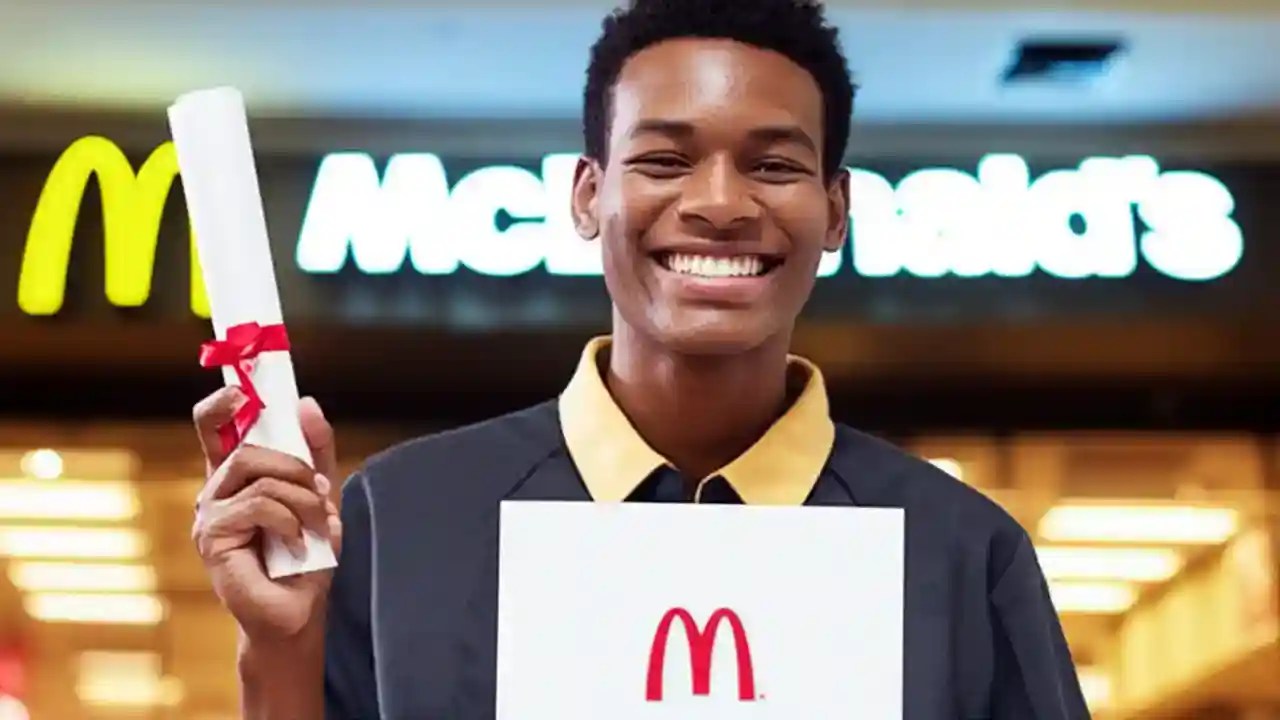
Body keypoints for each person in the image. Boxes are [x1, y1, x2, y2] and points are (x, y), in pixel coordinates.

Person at [191, 0, 1091, 717]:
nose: (720, 204)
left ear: (836, 210)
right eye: (664, 159)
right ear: (588, 195)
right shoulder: (400, 520)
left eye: (774, 166)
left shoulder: (961, 554)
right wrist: (278, 647)